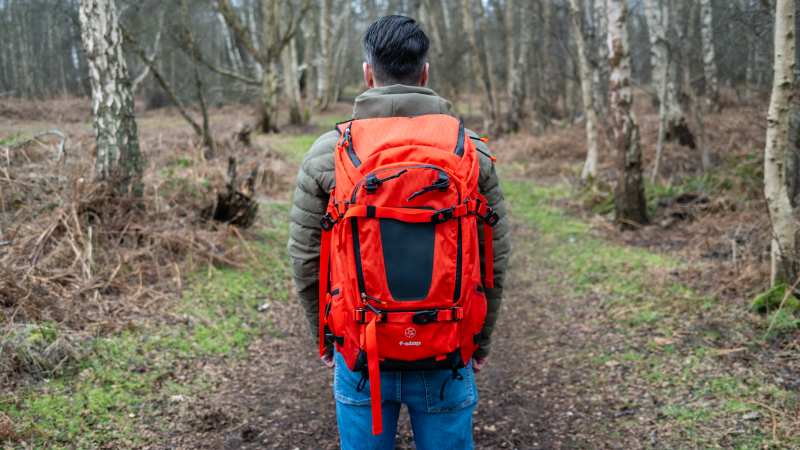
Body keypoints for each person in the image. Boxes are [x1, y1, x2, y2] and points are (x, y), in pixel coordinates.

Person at [288, 15, 510, 450]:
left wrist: (328, 336)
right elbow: (493, 259)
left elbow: (306, 259)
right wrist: (479, 342)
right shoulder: (470, 151)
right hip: (448, 348)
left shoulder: (329, 153)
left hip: (362, 348)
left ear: (367, 73)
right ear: (425, 73)